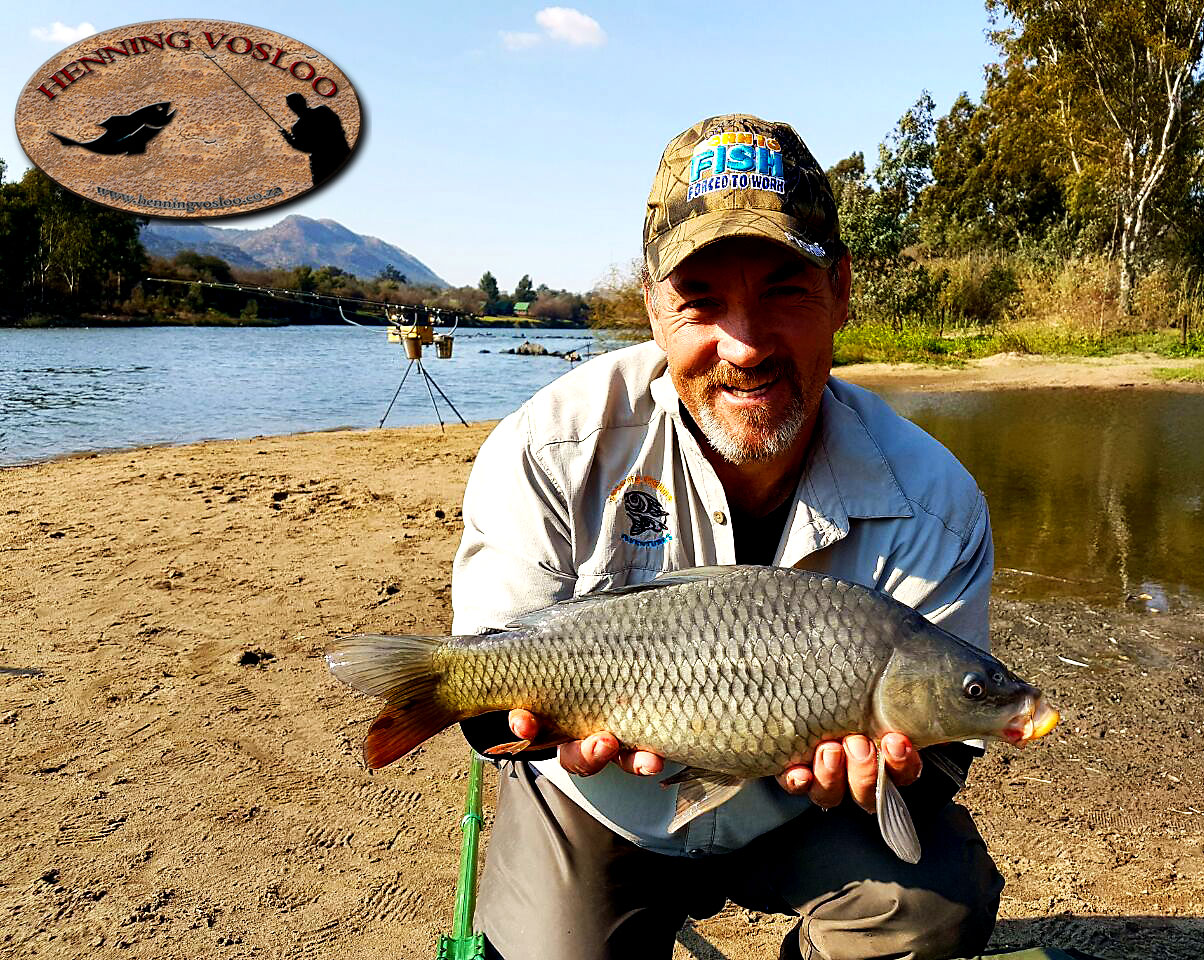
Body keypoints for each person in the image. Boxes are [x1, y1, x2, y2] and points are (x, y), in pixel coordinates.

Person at [450, 114, 1003, 960]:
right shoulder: (547, 447)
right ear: (652, 307)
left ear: (842, 291)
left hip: (808, 817)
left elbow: (951, 739)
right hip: (600, 802)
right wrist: (528, 720)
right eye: (701, 299)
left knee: (936, 911)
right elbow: (489, 697)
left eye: (784, 290)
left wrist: (891, 773)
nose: (744, 346)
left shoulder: (937, 501)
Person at [280, 92, 350, 186]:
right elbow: (337, 126)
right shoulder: (323, 110)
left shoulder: (297, 127)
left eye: (291, 104)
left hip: (322, 164)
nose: (293, 106)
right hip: (341, 153)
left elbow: (306, 148)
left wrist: (291, 141)